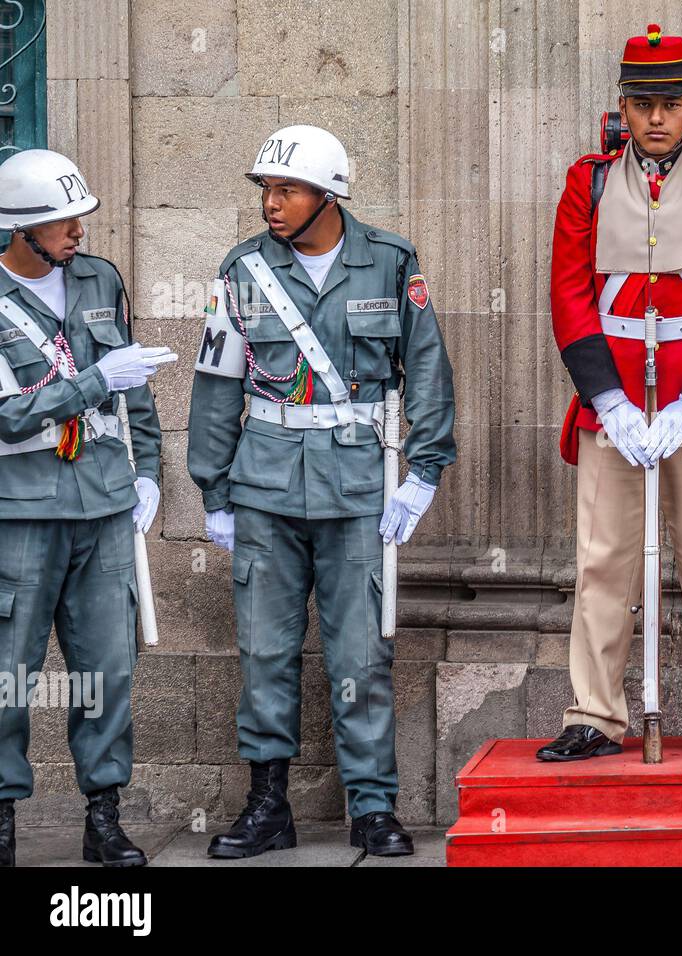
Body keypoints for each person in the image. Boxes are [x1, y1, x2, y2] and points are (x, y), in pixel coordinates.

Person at [188, 125, 456, 857]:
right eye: (266, 191)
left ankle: (372, 807)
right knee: (266, 653)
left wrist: (423, 473)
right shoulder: (241, 268)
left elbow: (426, 369)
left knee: (361, 655)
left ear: (328, 195)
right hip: (265, 490)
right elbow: (217, 384)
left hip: (358, 488)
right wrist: (212, 490)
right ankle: (267, 805)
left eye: (286, 190)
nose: (271, 204)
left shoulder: (390, 262)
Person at [540, 25, 682, 762]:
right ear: (623, 108)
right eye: (643, 104)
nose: (658, 118)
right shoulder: (590, 181)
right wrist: (605, 398)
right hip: (611, 402)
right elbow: (570, 295)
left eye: (671, 103)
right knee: (602, 559)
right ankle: (597, 713)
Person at [0, 149, 174, 866]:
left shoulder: (101, 279)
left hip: (104, 506)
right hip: (21, 514)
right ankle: (4, 819)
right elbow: (11, 418)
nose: (77, 230)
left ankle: (104, 815)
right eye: (61, 220)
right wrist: (96, 379)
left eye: (77, 217)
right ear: (20, 228)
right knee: (9, 675)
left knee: (107, 671)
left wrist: (151, 474)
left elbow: (135, 394)